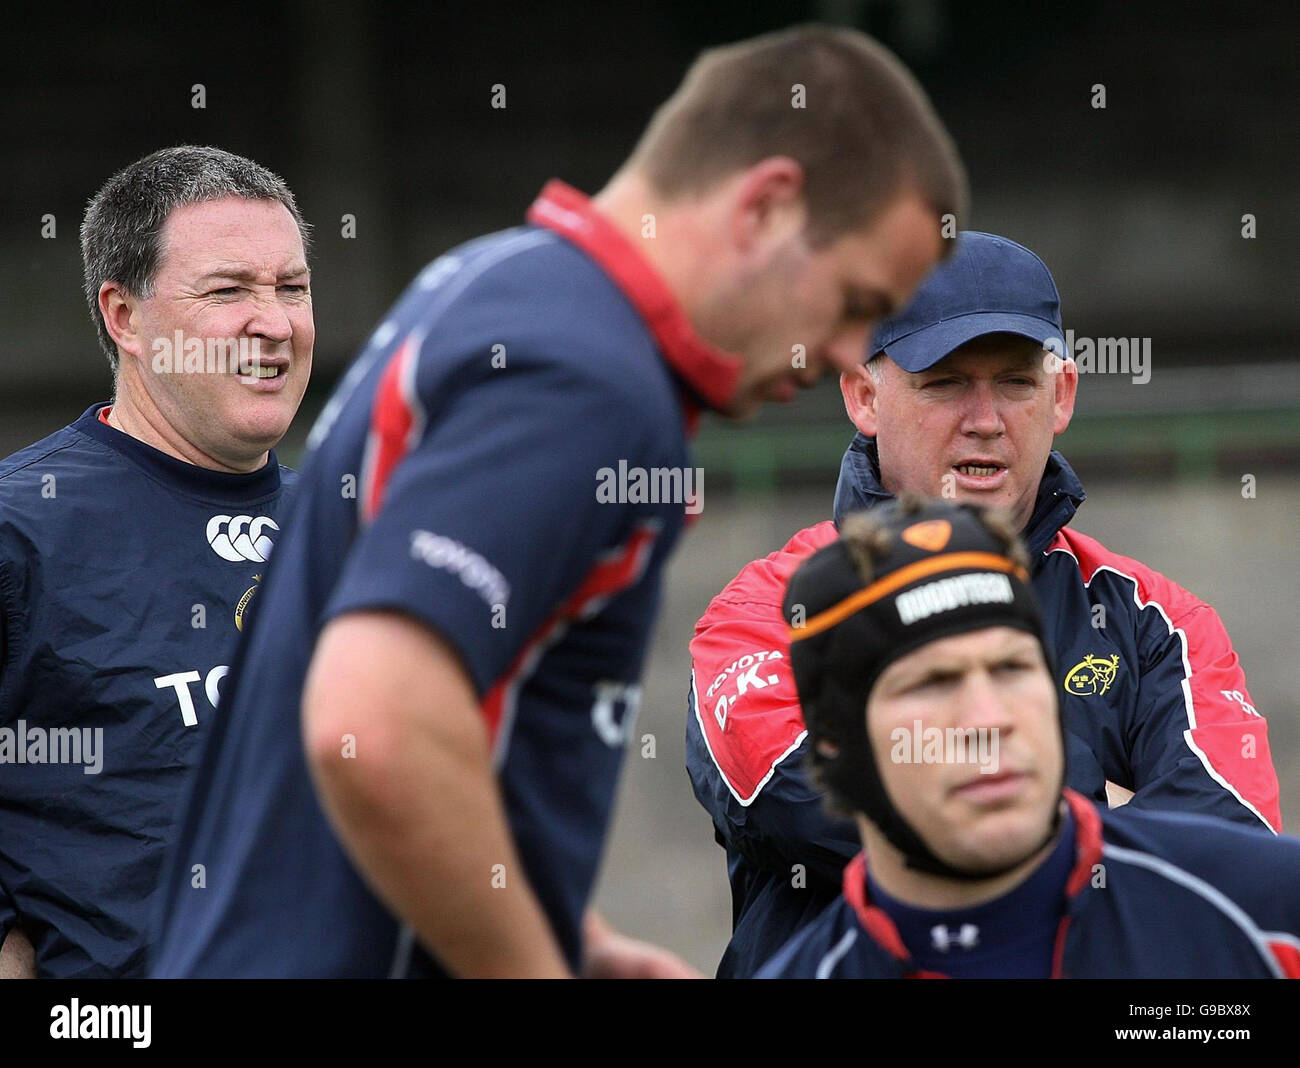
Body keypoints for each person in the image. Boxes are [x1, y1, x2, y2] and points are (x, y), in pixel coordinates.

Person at [149, 24, 967, 979]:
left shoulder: (498, 284)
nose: (844, 353)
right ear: (769, 206)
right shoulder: (589, 378)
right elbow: (372, 724)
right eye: (855, 302)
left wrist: (567, 943)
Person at [687, 231, 1282, 977]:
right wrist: (1108, 811)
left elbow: (1233, 843)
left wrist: (977, 798)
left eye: (1015, 383)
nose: (986, 420)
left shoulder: (1160, 621)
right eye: (943, 383)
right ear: (863, 396)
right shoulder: (763, 611)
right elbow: (787, 795)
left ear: (1062, 395)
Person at [757, 498, 1300, 978]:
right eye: (932, 683)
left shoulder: (1270, 914)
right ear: (831, 738)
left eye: (1012, 669)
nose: (988, 719)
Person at [0, 145, 313, 977]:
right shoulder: (21, 529)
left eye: (292, 287)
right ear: (124, 317)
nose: (275, 323)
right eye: (229, 290)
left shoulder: (348, 528)